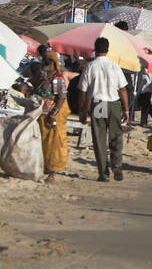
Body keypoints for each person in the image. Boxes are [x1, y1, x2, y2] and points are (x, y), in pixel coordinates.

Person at [78, 36, 130, 181]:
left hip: (98, 103)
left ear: (95, 50)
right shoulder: (114, 65)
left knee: (99, 138)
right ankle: (117, 165)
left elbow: (83, 91)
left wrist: (82, 111)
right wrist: (126, 109)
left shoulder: (90, 66)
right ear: (108, 50)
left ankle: (103, 173)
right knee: (116, 136)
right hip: (113, 103)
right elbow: (123, 89)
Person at [32, 50, 69, 182]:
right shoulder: (44, 77)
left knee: (53, 144)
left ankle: (52, 172)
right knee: (42, 142)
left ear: (54, 62)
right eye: (44, 61)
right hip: (41, 113)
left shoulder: (57, 78)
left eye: (48, 61)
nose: (45, 64)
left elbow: (61, 97)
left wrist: (53, 114)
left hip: (52, 114)